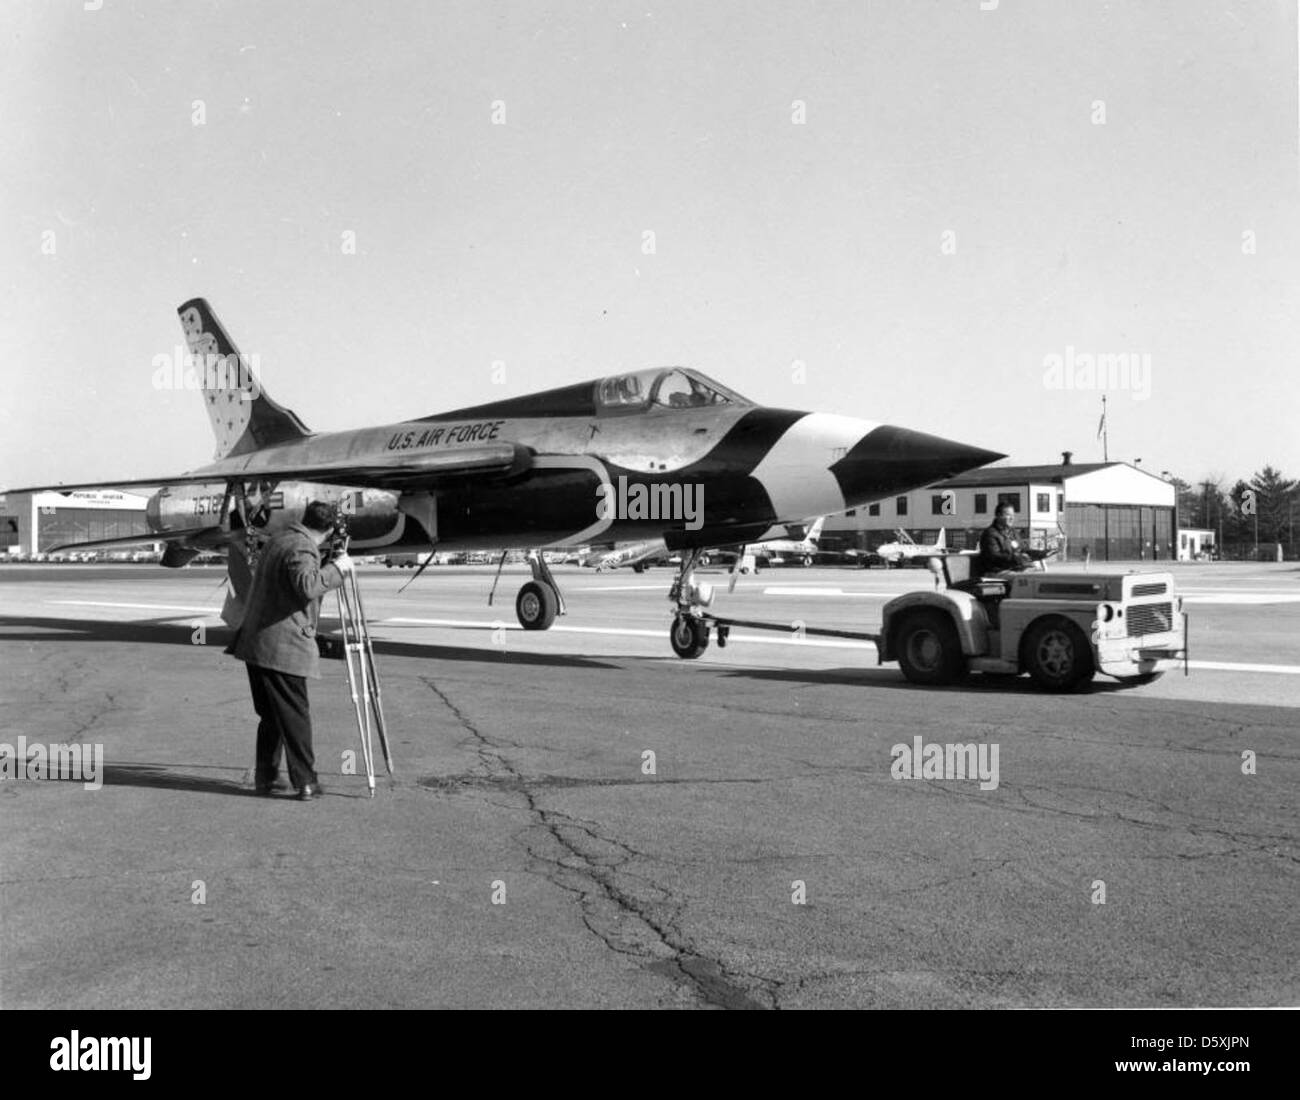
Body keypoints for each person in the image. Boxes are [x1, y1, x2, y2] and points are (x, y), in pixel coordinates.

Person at [227, 501, 352, 800]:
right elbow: (307, 586)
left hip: (256, 643)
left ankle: (267, 778)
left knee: (271, 717)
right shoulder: (302, 547)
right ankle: (306, 781)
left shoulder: (280, 538)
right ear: (331, 530)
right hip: (281, 648)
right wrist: (338, 569)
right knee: (295, 716)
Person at [975, 502, 1032, 577]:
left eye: (1013, 515)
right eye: (1008, 515)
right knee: (1024, 579)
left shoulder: (1013, 532)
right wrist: (1016, 558)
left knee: (1039, 575)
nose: (1012, 518)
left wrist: (1035, 554)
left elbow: (1022, 549)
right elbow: (994, 556)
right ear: (998, 516)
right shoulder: (990, 534)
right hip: (995, 571)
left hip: (1014, 568)